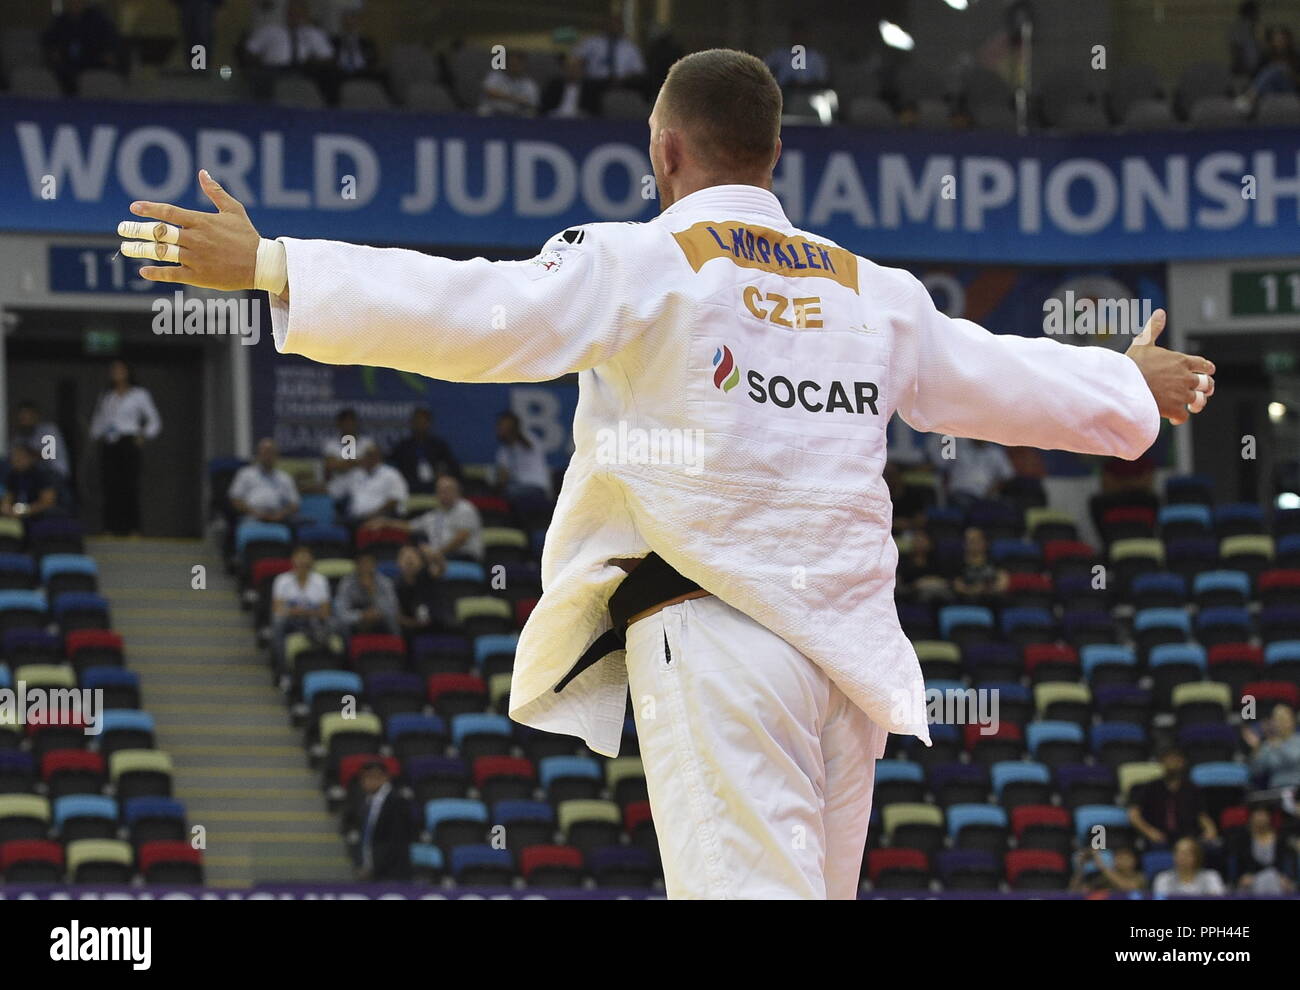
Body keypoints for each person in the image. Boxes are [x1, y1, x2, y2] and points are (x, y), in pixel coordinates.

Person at [118, 48, 1216, 899]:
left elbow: (469, 315)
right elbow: (999, 377)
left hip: (718, 633)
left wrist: (272, 265)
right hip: (846, 665)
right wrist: (1125, 385)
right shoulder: (868, 289)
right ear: (773, 157)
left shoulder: (643, 261)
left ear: (665, 151)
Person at [88, 358, 161, 536]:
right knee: (109, 486)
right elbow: (99, 420)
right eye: (113, 370)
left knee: (129, 485)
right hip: (110, 443)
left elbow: (154, 421)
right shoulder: (107, 395)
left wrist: (143, 436)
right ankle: (110, 528)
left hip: (129, 441)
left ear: (128, 372)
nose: (116, 373)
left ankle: (133, 528)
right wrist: (96, 436)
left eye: (120, 369)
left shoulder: (139, 394)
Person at [1128, 746, 1219, 848]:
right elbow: (1134, 814)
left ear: (1183, 762)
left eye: (1176, 759)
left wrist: (1211, 830)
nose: (1173, 763)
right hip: (1158, 837)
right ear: (1161, 762)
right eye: (1169, 759)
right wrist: (1149, 832)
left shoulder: (1192, 789)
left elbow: (1201, 815)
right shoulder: (1149, 787)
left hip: (1187, 837)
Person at [344, 760, 413, 882]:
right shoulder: (365, 801)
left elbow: (396, 841)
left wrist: (376, 868)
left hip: (392, 874)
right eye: (363, 777)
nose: (365, 782)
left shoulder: (397, 802)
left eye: (371, 777)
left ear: (384, 778)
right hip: (371, 872)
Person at [270, 544, 332, 679]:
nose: (303, 561)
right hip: (291, 621)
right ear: (293, 560)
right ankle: (283, 670)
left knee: (336, 624)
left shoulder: (320, 581)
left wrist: (303, 612)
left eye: (306, 557)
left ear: (311, 561)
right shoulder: (282, 580)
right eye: (300, 557)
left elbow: (326, 612)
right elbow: (278, 609)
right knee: (277, 623)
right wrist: (300, 611)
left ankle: (331, 665)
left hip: (312, 620)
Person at [42, 0, 121, 95]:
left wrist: (109, 52)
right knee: (62, 72)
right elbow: (48, 40)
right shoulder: (60, 21)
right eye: (72, 2)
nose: (75, 4)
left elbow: (110, 39)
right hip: (67, 62)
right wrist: (53, 51)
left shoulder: (98, 19)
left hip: (93, 59)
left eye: (79, 2)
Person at [572, 14, 646, 112]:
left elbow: (639, 71)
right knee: (588, 88)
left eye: (617, 24)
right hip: (595, 82)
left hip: (623, 82)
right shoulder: (592, 43)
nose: (613, 27)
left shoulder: (630, 47)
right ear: (604, 25)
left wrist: (623, 79)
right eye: (611, 24)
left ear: (622, 26)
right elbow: (577, 61)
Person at [403, 474, 483, 563]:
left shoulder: (466, 508)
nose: (444, 494)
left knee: (424, 563)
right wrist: (387, 522)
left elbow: (462, 538)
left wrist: (438, 553)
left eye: (448, 490)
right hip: (439, 556)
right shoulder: (434, 515)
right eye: (440, 490)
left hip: (463, 556)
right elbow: (409, 526)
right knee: (409, 555)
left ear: (458, 491)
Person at [228, 437, 300, 524]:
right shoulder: (245, 474)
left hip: (278, 519)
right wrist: (255, 513)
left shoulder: (285, 478)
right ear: (258, 455)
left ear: (277, 456)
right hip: (251, 517)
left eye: (271, 453)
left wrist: (280, 515)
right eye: (265, 453)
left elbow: (294, 504)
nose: (268, 457)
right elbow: (235, 499)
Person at [244, 0, 333, 70]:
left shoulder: (314, 34)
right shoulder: (269, 30)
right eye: (292, 10)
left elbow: (327, 57)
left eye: (299, 11)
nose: (295, 14)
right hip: (272, 71)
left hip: (303, 73)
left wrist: (313, 62)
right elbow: (249, 51)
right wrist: (260, 64)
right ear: (286, 11)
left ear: (305, 13)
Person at [387, 407, 459, 494]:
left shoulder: (439, 445)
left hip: (434, 487)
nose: (420, 425)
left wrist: (443, 474)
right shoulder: (403, 446)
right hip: (409, 487)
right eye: (417, 422)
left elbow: (454, 467)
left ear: (429, 424)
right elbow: (390, 465)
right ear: (412, 423)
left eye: (423, 422)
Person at [341, 440, 408, 526]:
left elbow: (395, 500)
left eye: (372, 455)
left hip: (381, 518)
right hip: (355, 519)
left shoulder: (391, 474)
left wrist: (374, 514)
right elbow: (340, 491)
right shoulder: (356, 474)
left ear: (379, 457)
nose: (369, 458)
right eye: (367, 455)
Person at [1231, 806, 1297, 893]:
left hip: (1277, 878)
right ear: (1251, 818)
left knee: (1271, 876)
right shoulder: (1243, 839)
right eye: (1257, 815)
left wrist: (1287, 877)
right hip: (1251, 879)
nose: (1260, 819)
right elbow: (1237, 862)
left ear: (1269, 817)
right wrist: (1240, 878)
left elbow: (1287, 860)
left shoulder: (1280, 838)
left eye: (1263, 815)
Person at [333, 550, 399, 636]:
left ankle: (395, 646)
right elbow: (341, 613)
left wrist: (373, 592)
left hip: (381, 623)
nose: (365, 567)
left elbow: (393, 610)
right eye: (362, 563)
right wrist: (361, 616)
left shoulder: (385, 582)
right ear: (356, 565)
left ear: (375, 565)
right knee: (340, 624)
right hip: (355, 624)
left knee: (393, 622)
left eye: (369, 563)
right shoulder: (347, 583)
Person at [494, 410, 552, 500]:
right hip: (520, 487)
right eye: (499, 426)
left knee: (509, 492)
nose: (499, 429)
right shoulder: (503, 451)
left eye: (504, 426)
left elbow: (526, 443)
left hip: (538, 487)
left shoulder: (530, 439)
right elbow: (503, 476)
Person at [394, 543, 446, 641]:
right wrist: (415, 623)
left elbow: (441, 568)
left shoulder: (428, 576)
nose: (409, 559)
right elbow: (398, 617)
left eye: (413, 556)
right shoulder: (396, 585)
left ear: (422, 563)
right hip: (411, 631)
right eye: (404, 557)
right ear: (397, 563)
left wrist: (435, 555)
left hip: (437, 627)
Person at [320, 407, 373, 498]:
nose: (348, 425)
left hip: (362, 486)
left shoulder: (367, 443)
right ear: (339, 424)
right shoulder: (331, 444)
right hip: (338, 486)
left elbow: (372, 465)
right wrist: (358, 461)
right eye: (345, 422)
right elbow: (331, 466)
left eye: (351, 422)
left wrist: (344, 463)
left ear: (356, 423)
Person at [1244, 702, 1300, 789]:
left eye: (1283, 719)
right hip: (1276, 789)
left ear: (1292, 721)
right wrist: (1256, 747)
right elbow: (1256, 771)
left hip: (1297, 787)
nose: (1280, 723)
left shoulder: (1297, 740)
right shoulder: (1268, 744)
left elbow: (1294, 759)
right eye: (1277, 719)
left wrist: (1278, 746)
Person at [13, 400, 70, 481]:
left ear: (36, 416)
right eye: (21, 418)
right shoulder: (20, 436)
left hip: (55, 474)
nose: (24, 421)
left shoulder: (49, 429)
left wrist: (27, 456)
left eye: (27, 417)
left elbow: (48, 455)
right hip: (32, 476)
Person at [0, 445, 60, 521]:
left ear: (30, 458)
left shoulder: (42, 473)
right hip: (19, 514)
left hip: (43, 516)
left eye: (20, 457)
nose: (16, 459)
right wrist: (6, 507)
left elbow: (48, 502)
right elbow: (9, 495)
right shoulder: (13, 474)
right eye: (14, 456)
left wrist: (25, 510)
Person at [1153, 837, 1226, 897]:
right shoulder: (1163, 879)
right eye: (1179, 852)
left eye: (1187, 853)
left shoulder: (1211, 877)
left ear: (1197, 856)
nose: (1182, 857)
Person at [951, 527, 1008, 603]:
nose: (973, 543)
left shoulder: (995, 561)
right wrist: (974, 590)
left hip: (991, 599)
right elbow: (957, 586)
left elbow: (1003, 582)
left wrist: (987, 589)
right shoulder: (957, 563)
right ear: (964, 544)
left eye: (977, 540)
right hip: (965, 600)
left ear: (985, 542)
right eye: (970, 541)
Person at [479, 49, 540, 117]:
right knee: (482, 111)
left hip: (516, 115)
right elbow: (489, 92)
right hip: (493, 112)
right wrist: (516, 99)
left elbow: (532, 103)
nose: (514, 66)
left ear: (524, 64)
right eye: (511, 63)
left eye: (518, 63)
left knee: (530, 114)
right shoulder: (495, 75)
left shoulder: (529, 84)